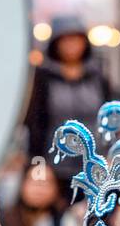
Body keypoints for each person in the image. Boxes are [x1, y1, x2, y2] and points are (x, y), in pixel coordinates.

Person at [22, 15, 111, 201]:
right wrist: (37, 165)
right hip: (54, 166)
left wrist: (110, 155)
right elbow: (35, 123)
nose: (71, 45)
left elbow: (108, 118)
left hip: (94, 164)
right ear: (55, 43)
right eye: (66, 40)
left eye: (76, 39)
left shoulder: (97, 76)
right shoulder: (43, 77)